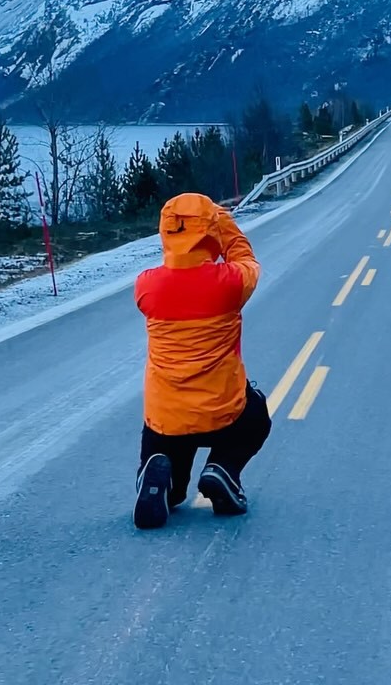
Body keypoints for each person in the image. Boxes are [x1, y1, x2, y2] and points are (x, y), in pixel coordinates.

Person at [133, 192, 271, 529]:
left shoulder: (146, 286)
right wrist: (224, 225)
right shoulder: (229, 283)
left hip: (166, 418)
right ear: (210, 232)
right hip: (223, 411)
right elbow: (246, 259)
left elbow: (177, 268)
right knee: (257, 416)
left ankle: (159, 478)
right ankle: (222, 468)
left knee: (171, 475)